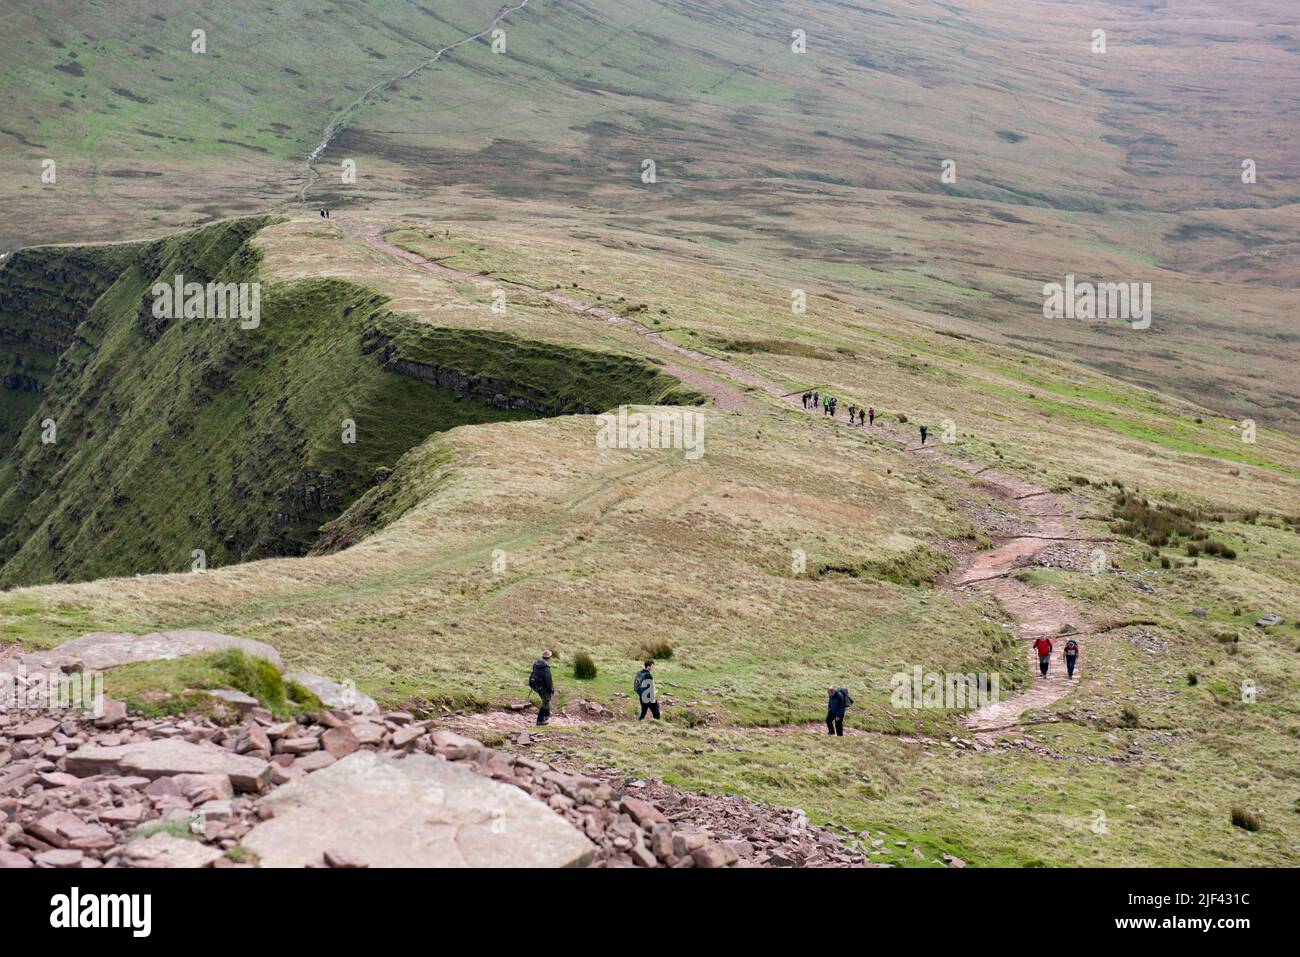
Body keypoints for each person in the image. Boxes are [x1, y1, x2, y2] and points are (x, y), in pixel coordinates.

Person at [529, 650, 555, 725]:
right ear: (549, 658)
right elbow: (548, 681)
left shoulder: (536, 664)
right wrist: (551, 689)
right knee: (545, 702)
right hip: (543, 688)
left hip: (536, 686)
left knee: (545, 700)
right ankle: (540, 720)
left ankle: (547, 715)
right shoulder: (546, 668)